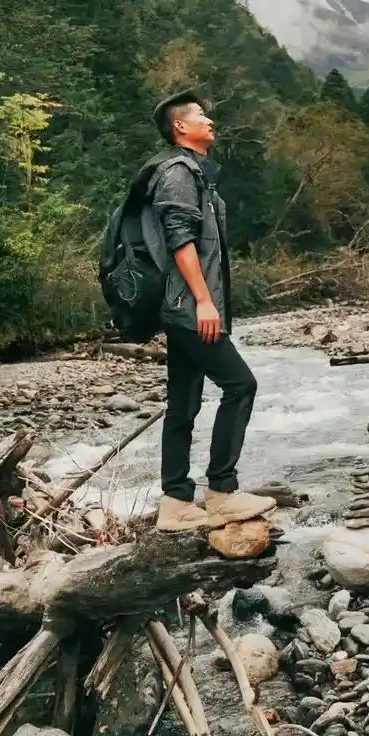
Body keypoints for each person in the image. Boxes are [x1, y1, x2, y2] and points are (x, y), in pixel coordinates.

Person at [147, 89, 275, 532]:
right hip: (189, 307)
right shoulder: (178, 173)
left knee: (183, 402)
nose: (210, 119)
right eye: (201, 114)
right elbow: (180, 240)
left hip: (182, 307)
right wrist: (203, 301)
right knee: (241, 385)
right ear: (180, 126)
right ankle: (221, 491)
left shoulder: (197, 175)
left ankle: (175, 502)